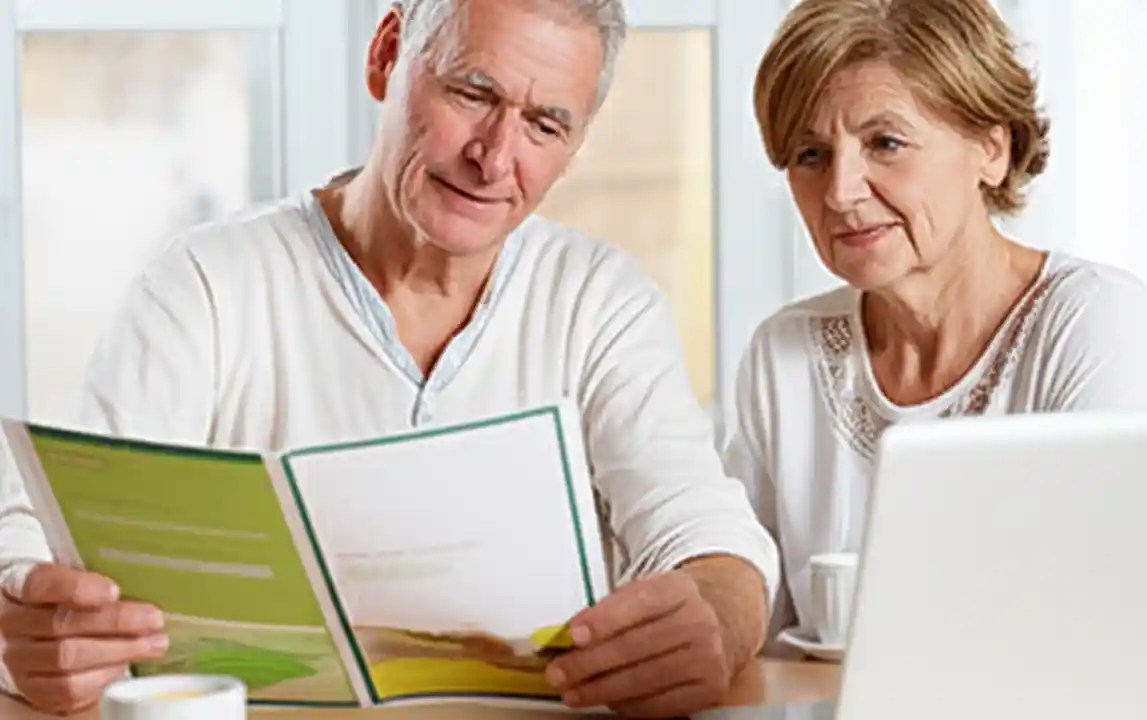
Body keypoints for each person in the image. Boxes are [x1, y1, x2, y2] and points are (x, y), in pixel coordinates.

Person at [0, 0, 779, 715]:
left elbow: (713, 540)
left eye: (545, 125)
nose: (495, 156)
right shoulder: (207, 284)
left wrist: (715, 615)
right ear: (384, 56)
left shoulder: (598, 300)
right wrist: (28, 627)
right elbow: (43, 526)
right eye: (473, 94)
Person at [723, 0, 1147, 643]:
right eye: (809, 154)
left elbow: (1110, 616)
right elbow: (750, 624)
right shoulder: (784, 354)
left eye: (886, 143)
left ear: (992, 149)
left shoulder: (1094, 322)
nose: (841, 192)